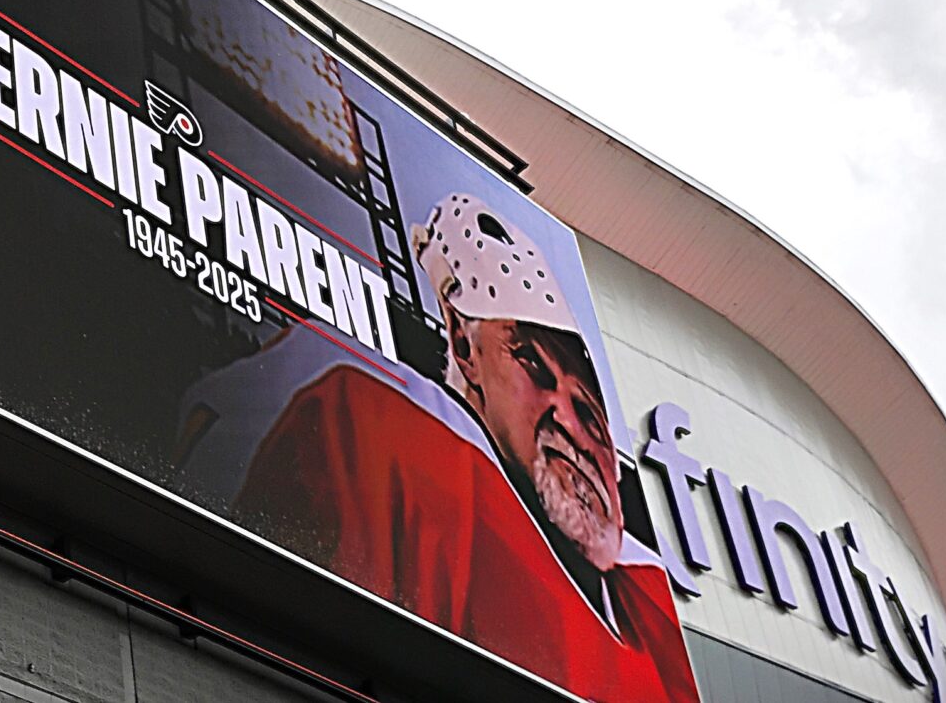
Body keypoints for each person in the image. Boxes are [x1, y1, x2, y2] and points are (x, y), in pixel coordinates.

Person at [176, 194, 697, 703]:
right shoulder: (386, 433)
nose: (567, 420)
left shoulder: (648, 594)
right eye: (532, 366)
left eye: (587, 410)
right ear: (465, 349)